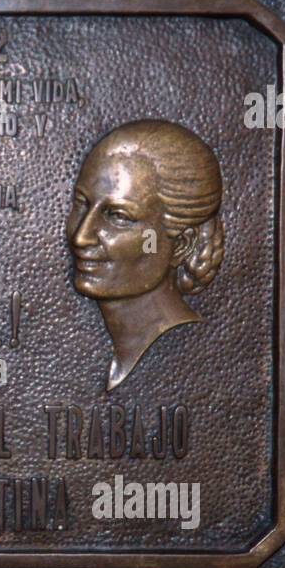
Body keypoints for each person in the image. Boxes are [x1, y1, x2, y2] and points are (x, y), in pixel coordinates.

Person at [67, 119, 225, 391]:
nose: (81, 236)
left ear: (181, 246)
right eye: (82, 204)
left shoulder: (195, 368)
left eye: (117, 217)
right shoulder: (84, 354)